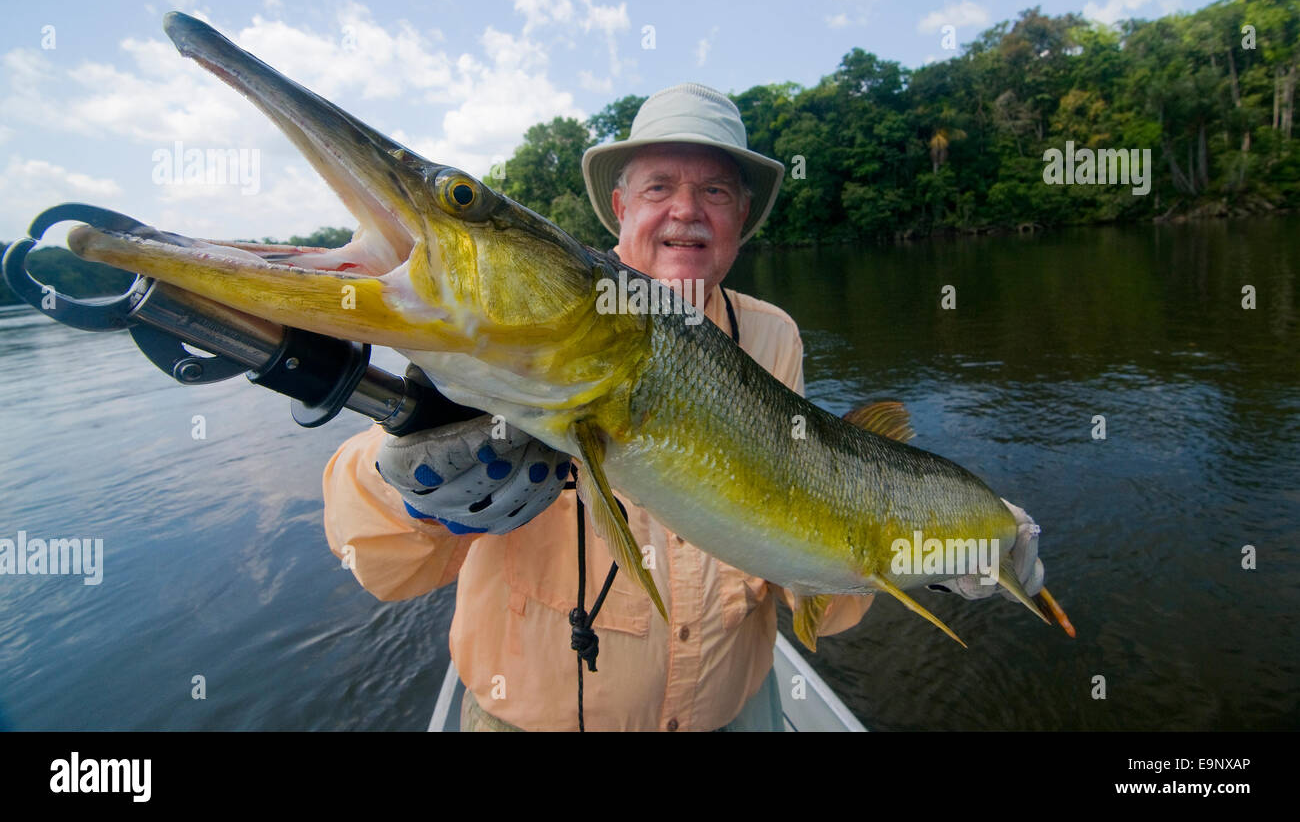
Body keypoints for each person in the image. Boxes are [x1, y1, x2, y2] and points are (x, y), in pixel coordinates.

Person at [321, 83, 1044, 731]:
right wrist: (403, 486)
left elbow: (805, 550)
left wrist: (935, 556)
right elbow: (382, 568)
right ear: (620, 207)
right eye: (659, 185)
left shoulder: (772, 334)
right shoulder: (499, 329)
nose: (686, 211)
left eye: (716, 192)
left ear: (743, 216)